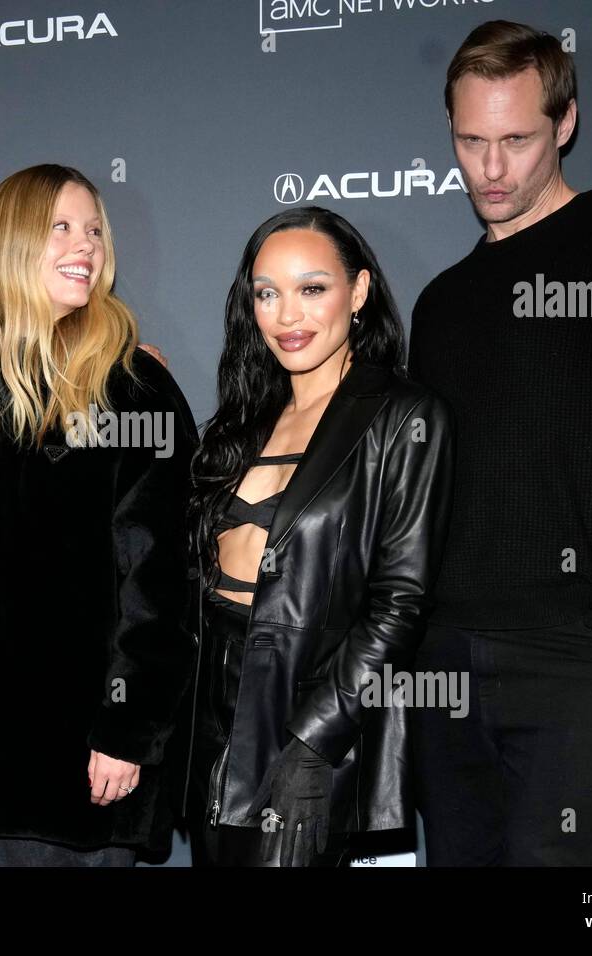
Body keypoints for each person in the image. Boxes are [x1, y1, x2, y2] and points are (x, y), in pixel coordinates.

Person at [407, 20, 592, 866]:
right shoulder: (442, 303)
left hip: (572, 659)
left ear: (566, 123)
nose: (492, 169)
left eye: (517, 140)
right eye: (472, 141)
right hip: (445, 666)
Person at [0, 164, 197, 866]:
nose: (85, 245)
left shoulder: (131, 386)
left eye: (94, 229)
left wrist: (129, 731)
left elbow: (161, 574)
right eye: (60, 228)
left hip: (90, 755)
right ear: (10, 244)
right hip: (0, 757)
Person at [181, 206, 453, 867]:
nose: (286, 315)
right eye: (267, 293)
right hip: (211, 715)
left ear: (358, 292)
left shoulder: (403, 416)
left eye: (312, 288)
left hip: (307, 711)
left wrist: (314, 742)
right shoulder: (244, 417)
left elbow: (400, 602)